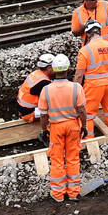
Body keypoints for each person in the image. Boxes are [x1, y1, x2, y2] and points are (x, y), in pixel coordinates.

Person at [36, 54, 87, 202]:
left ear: (54, 69)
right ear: (67, 69)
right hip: (73, 126)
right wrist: (84, 125)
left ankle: (58, 194)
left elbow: (43, 115)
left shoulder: (46, 90)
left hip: (56, 128)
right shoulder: (76, 87)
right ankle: (73, 192)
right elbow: (82, 110)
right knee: (72, 158)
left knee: (57, 159)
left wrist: (44, 129)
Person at [74, 20, 108, 138]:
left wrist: (74, 93)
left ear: (87, 34)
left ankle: (89, 140)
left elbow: (79, 75)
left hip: (93, 87)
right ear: (100, 32)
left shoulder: (85, 50)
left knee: (88, 115)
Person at [16, 52, 56, 123]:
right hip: (29, 113)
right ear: (49, 68)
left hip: (23, 109)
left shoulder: (36, 74)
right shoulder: (43, 83)